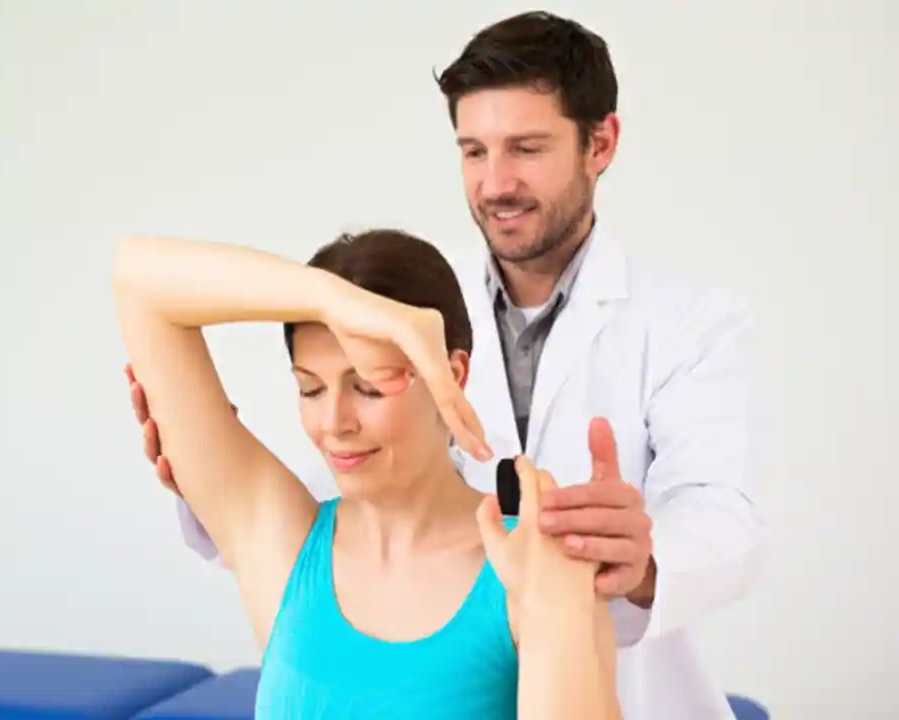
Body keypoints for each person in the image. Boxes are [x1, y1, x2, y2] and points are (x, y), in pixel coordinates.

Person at [127, 11, 764, 720]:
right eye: (473, 151)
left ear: (601, 143)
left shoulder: (689, 322)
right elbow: (363, 480)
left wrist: (639, 564)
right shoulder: (406, 304)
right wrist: (209, 458)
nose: (496, 184)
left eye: (526, 148)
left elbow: (724, 518)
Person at [113, 229, 619, 719]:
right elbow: (139, 279)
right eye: (310, 389)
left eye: (369, 387)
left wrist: (559, 616)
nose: (335, 423)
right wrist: (326, 300)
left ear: (453, 374)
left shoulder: (533, 570)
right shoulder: (279, 538)